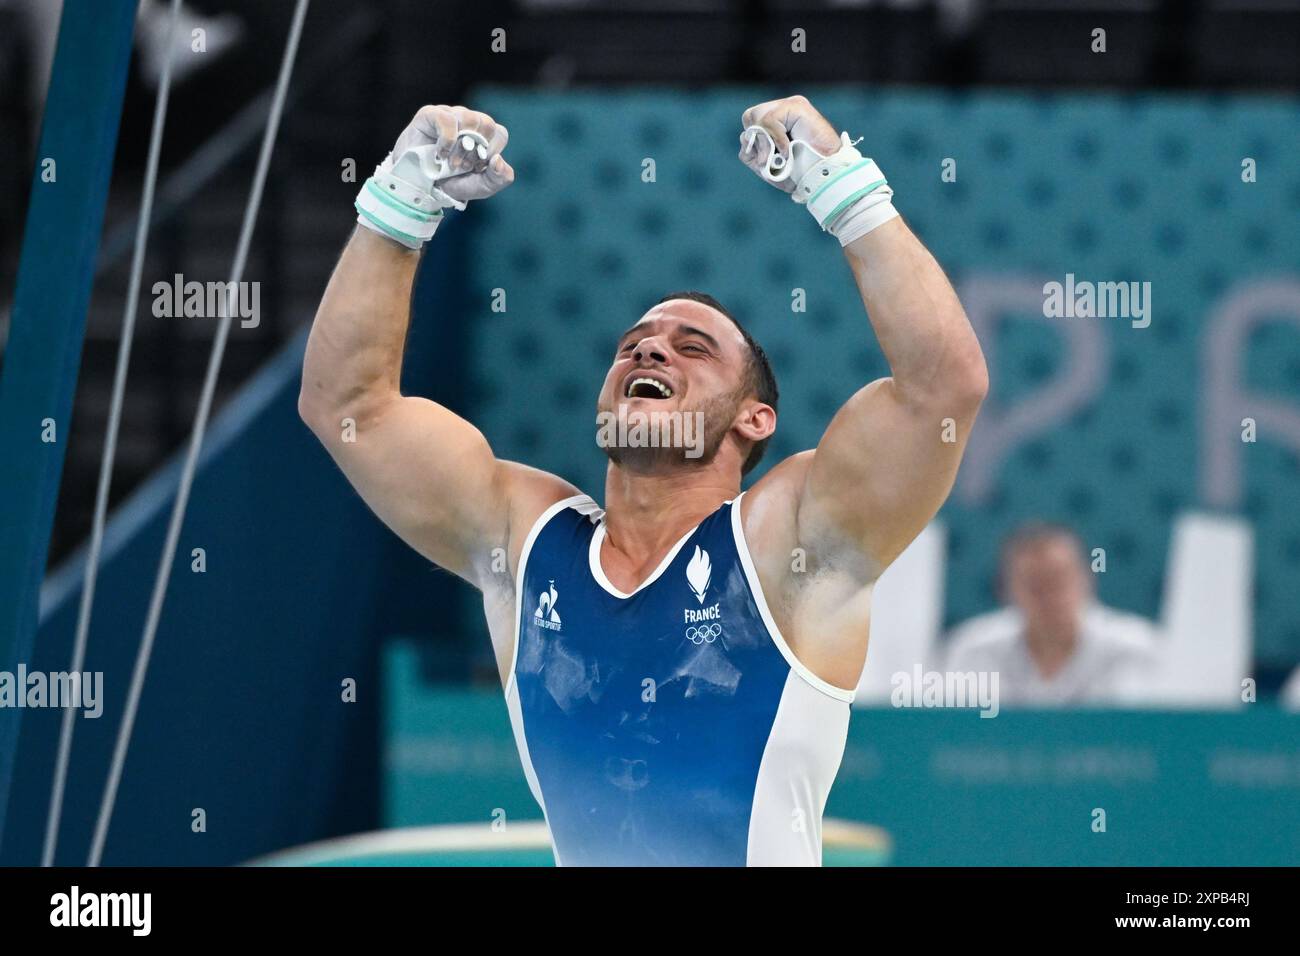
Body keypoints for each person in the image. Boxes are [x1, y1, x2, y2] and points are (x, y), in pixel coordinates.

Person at [298, 96, 988, 865]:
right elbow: (346, 405)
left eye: (693, 347)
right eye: (633, 344)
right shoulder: (523, 541)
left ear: (754, 419)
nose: (649, 353)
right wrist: (401, 198)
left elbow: (942, 389)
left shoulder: (788, 545)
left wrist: (840, 186)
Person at [945, 523, 1159, 707]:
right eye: (1034, 585)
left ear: (1087, 578)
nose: (1048, 596)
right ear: (1006, 589)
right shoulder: (972, 649)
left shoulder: (1137, 647)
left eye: (1058, 580)